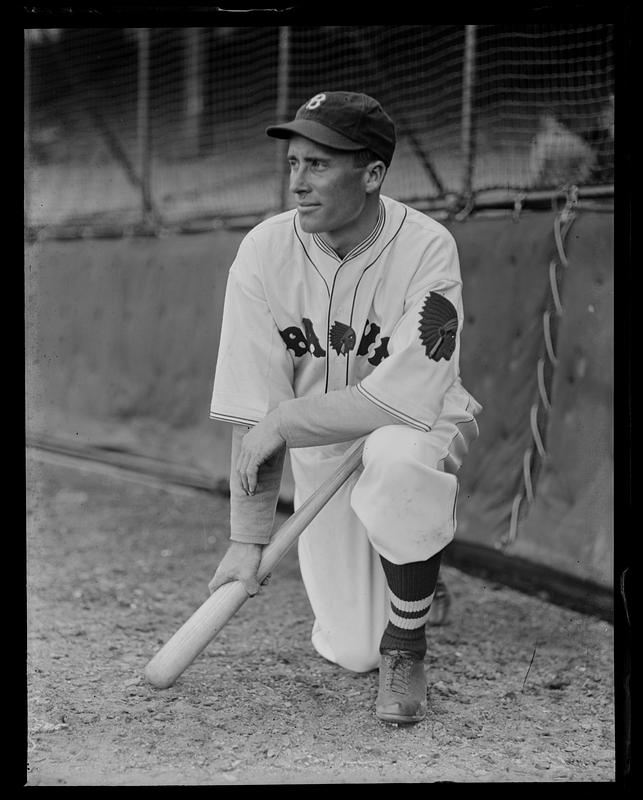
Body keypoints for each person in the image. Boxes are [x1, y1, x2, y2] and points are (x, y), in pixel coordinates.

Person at [208, 91, 482, 725]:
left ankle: (407, 646)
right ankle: (410, 573)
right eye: (294, 164)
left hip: (422, 423)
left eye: (319, 166)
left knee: (397, 456)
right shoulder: (263, 251)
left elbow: (406, 398)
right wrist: (246, 539)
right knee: (350, 649)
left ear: (373, 174)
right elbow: (257, 402)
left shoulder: (428, 248)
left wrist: (284, 421)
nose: (298, 183)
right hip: (323, 446)